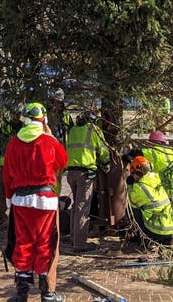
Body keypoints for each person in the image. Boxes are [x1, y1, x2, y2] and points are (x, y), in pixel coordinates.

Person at [3, 101, 68, 302]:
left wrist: (8, 200)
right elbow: (62, 161)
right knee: (45, 243)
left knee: (23, 243)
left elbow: (7, 174)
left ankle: (21, 293)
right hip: (45, 201)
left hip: (21, 201)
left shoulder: (13, 143)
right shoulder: (47, 141)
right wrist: (52, 137)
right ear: (43, 120)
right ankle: (47, 293)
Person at [65, 107, 110, 251]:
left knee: (76, 206)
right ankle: (79, 244)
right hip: (85, 174)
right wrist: (106, 164)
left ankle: (73, 238)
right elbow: (103, 151)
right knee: (82, 208)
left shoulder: (73, 130)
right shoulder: (94, 130)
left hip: (71, 172)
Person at [126, 155, 173, 247]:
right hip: (171, 229)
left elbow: (131, 202)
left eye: (133, 174)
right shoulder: (156, 177)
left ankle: (143, 239)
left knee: (135, 209)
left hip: (156, 230)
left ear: (137, 174)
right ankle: (168, 239)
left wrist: (129, 185)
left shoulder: (139, 187)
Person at [0, 107, 22, 228]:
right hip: (11, 164)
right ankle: (4, 219)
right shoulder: (22, 127)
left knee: (4, 192)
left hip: (8, 164)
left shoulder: (7, 126)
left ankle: (4, 219)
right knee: (6, 191)